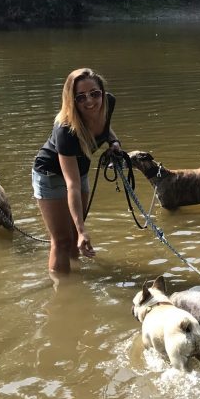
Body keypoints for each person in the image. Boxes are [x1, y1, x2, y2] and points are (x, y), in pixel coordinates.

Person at [32, 68, 121, 273]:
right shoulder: (65, 129)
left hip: (79, 171)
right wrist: (83, 231)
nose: (90, 101)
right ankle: (61, 292)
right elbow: (71, 185)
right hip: (50, 175)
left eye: (94, 93)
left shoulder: (109, 102)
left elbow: (104, 126)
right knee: (62, 240)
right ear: (72, 100)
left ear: (102, 92)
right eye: (80, 97)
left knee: (74, 236)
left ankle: (76, 279)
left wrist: (114, 142)